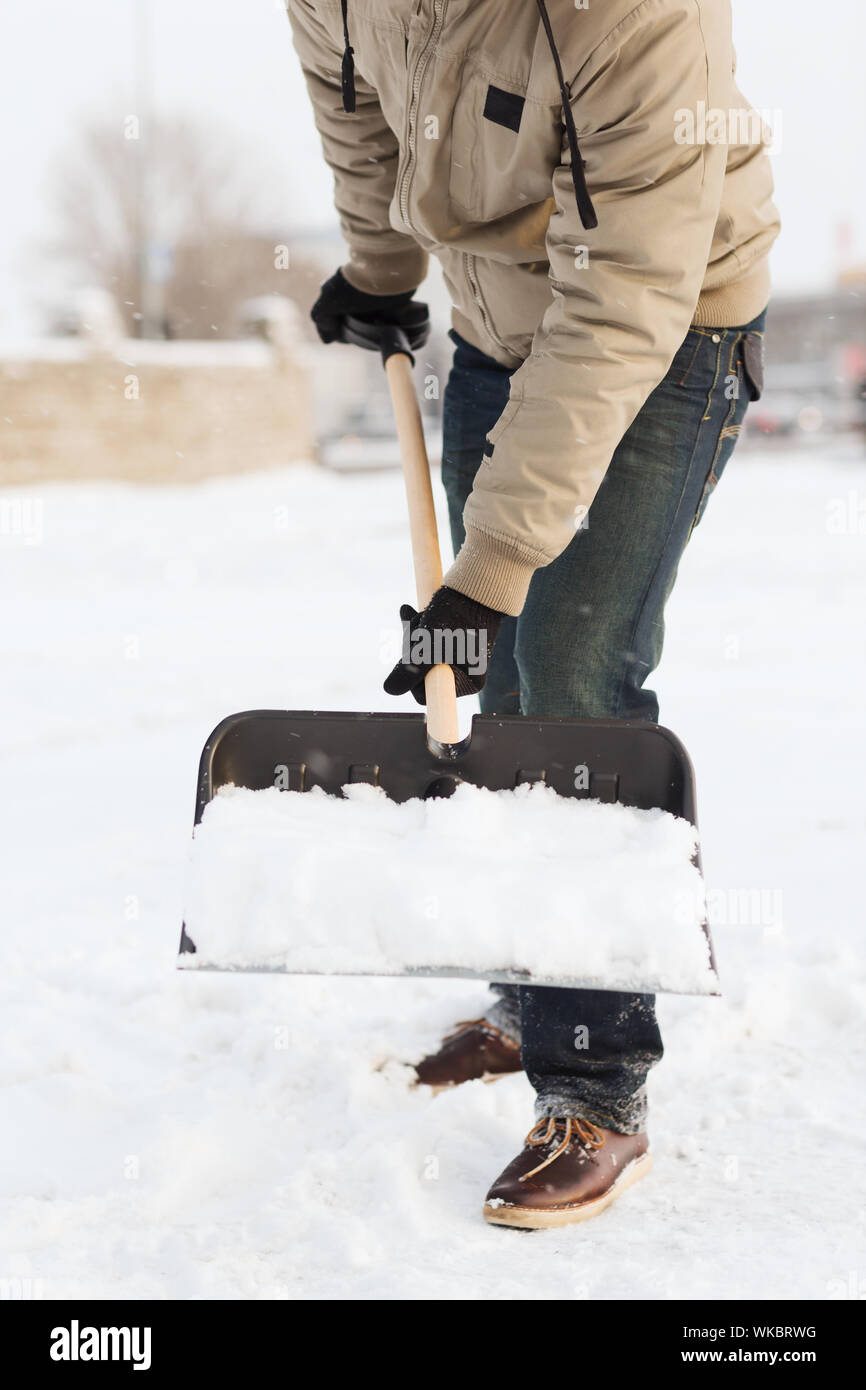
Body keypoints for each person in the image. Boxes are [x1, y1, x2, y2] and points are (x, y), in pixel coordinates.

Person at [287, 0, 780, 1229]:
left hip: (663, 331)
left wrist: (492, 566)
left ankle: (596, 1089)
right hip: (501, 323)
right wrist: (380, 268)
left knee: (567, 680)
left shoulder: (634, 14)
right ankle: (532, 991)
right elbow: (363, 121)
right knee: (495, 696)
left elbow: (626, 299)